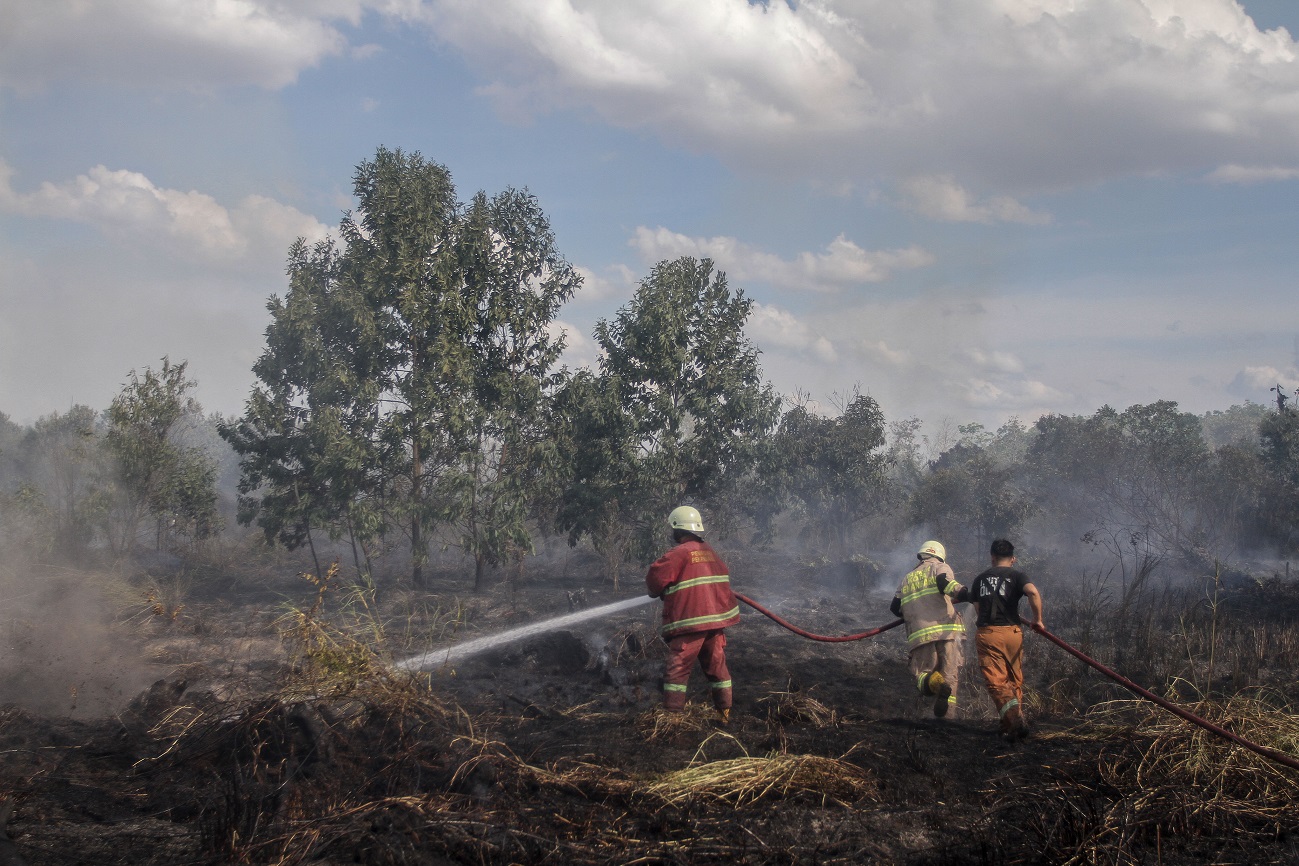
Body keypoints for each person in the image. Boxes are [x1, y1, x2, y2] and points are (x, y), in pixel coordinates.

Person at [645, 505, 740, 723]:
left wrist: (657, 591)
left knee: (677, 669)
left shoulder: (678, 553)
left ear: (678, 529)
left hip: (691, 623)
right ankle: (724, 714)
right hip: (714, 622)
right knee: (717, 667)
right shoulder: (709, 552)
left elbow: (655, 579)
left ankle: (672, 717)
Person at [946, 538, 1044, 741]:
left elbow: (978, 608)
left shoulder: (981, 579)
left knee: (997, 682)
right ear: (1013, 559)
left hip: (989, 635)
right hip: (1013, 634)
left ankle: (1015, 720)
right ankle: (1008, 724)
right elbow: (1033, 592)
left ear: (992, 557)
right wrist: (1038, 620)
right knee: (1014, 679)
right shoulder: (1018, 576)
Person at [890, 540, 965, 718]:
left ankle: (937, 686)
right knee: (950, 674)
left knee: (923, 675)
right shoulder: (940, 566)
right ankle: (947, 717)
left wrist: (914, 612)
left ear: (921, 556)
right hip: (948, 632)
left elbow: (894, 607)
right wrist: (966, 593)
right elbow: (945, 583)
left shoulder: (907, 578)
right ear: (939, 555)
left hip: (920, 636)